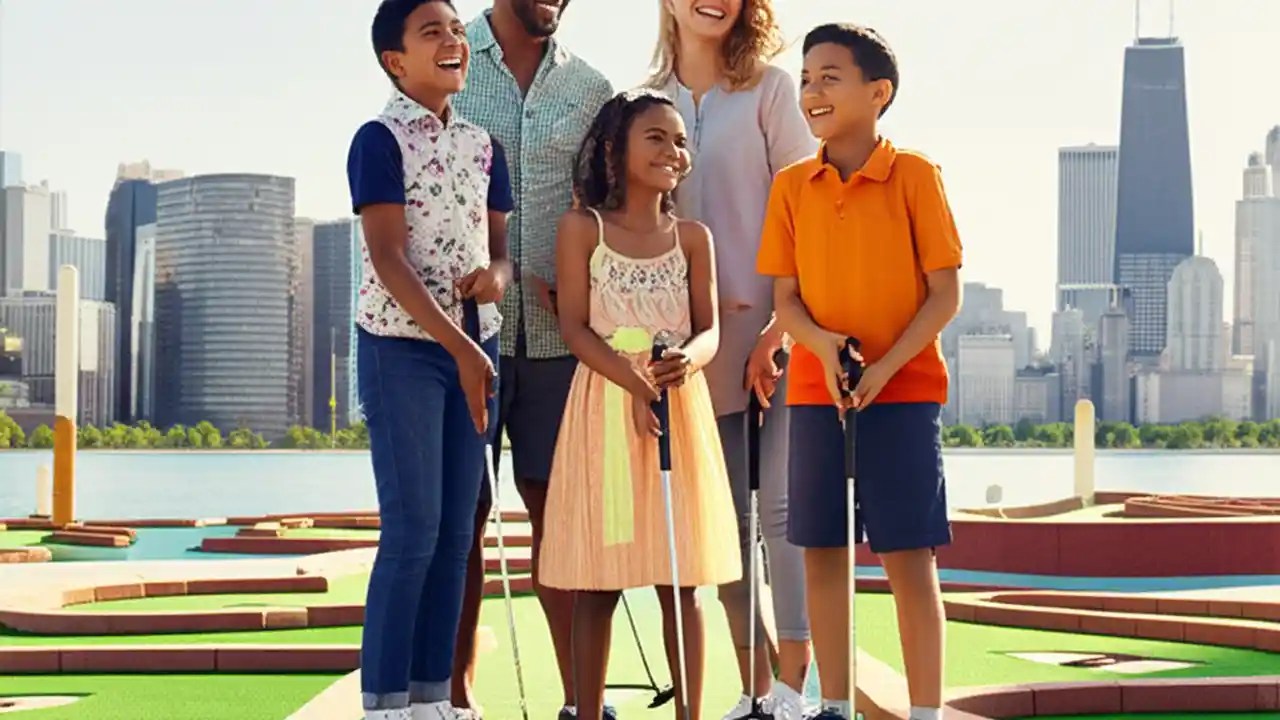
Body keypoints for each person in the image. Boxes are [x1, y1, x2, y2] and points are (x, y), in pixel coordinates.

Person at [756, 23, 963, 720]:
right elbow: (785, 302)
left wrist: (883, 369)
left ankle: (927, 712)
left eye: (829, 78)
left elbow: (944, 294)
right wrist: (822, 344)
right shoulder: (791, 187)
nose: (812, 91)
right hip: (817, 395)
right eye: (807, 78)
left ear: (878, 93)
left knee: (909, 556)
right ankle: (835, 707)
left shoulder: (915, 176)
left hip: (903, 397)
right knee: (821, 550)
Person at [538, 89, 743, 720]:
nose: (673, 150)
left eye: (680, 140)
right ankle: (588, 712)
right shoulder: (582, 228)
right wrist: (632, 384)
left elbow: (708, 329)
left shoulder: (694, 237)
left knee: (681, 579)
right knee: (601, 577)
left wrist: (690, 359)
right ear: (614, 148)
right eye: (656, 136)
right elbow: (575, 327)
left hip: (677, 409)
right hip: (607, 409)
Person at [645, 2, 816, 717]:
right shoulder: (645, 100)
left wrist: (781, 329)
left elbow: (811, 209)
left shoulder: (772, 90)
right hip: (693, 350)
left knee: (780, 517)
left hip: (779, 337)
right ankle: (754, 696)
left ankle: (797, 692)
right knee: (724, 526)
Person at [347, 1, 512, 718]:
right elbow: (387, 257)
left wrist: (498, 280)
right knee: (412, 529)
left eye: (454, 29)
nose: (452, 40)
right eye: (431, 32)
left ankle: (431, 698)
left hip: (478, 346)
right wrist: (460, 347)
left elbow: (499, 250)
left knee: (455, 533)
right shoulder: (377, 139)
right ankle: (384, 705)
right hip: (402, 350)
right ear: (396, 60)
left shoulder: (485, 146)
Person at [450, 3, 614, 717]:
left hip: (559, 343)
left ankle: (583, 703)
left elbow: (612, 203)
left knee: (564, 527)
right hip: (462, 338)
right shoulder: (447, 59)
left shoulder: (592, 90)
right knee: (462, 520)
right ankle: (453, 697)